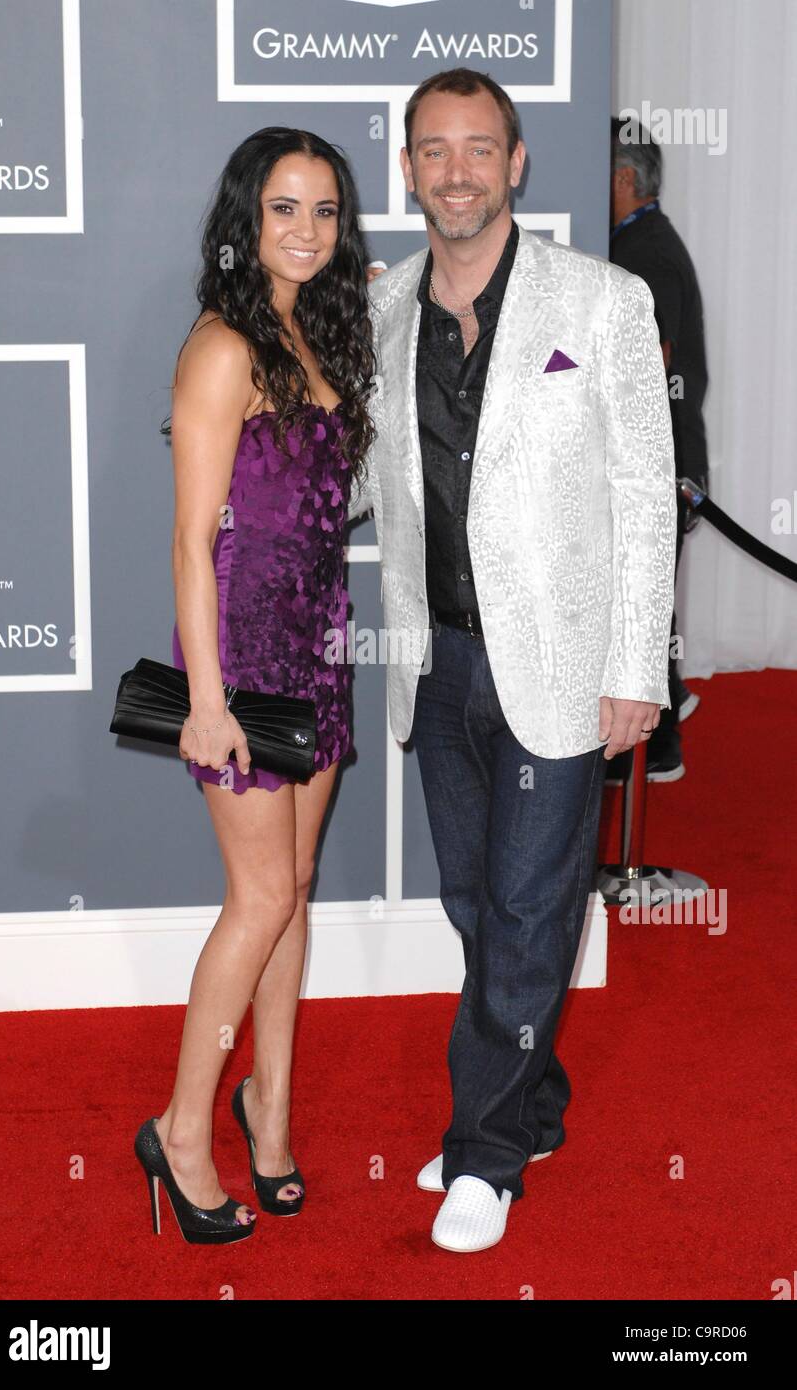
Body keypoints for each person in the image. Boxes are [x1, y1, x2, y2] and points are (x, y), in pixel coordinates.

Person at [350, 69, 677, 1253]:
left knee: (532, 910)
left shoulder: (602, 303)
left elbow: (646, 495)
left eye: (478, 148)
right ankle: (530, 1106)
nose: (455, 171)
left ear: (518, 163)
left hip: (559, 659)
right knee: (475, 904)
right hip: (435, 663)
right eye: (432, 150)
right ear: (406, 170)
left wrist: (638, 664)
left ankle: (485, 1155)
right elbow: (354, 477)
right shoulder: (380, 308)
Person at [134, 127, 376, 1245]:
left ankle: (268, 1114)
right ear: (246, 217)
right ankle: (181, 1132)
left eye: (324, 210)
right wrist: (208, 701)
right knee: (261, 898)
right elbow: (192, 542)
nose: (306, 230)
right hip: (239, 657)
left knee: (298, 882)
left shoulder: (322, 328)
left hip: (321, 645)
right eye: (284, 209)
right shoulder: (224, 346)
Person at [609, 115, 710, 781]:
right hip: (664, 461)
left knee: (640, 605)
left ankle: (659, 746)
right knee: (646, 602)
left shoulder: (646, 255)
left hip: (660, 465)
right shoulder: (646, 242)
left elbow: (652, 369)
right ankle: (666, 714)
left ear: (622, 178)